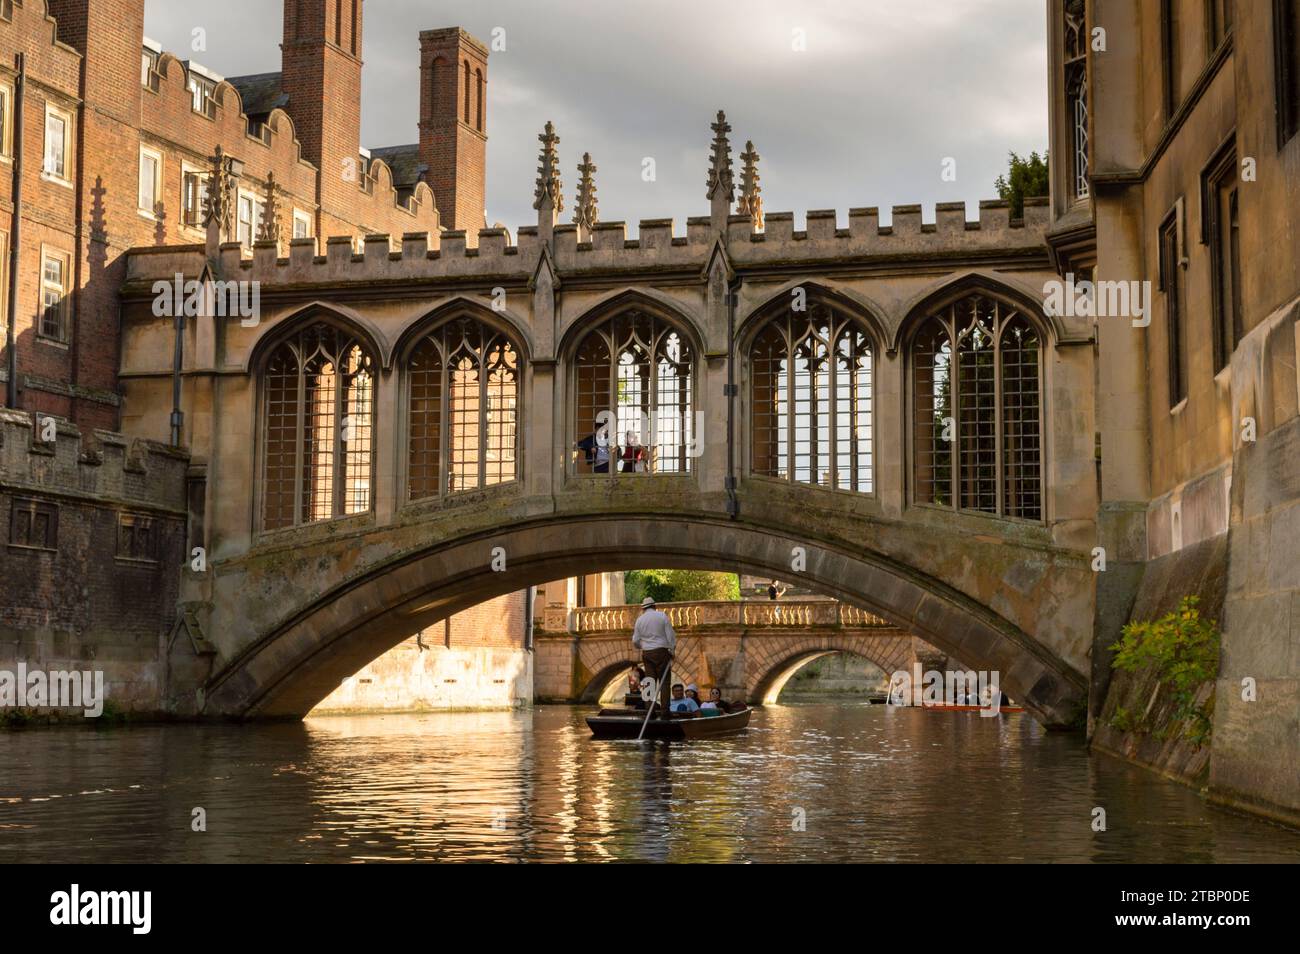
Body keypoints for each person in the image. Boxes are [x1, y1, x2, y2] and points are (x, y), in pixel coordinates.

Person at [631, 596, 676, 715]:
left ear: (644, 608)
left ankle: (649, 710)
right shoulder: (662, 616)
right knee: (664, 682)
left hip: (647, 653)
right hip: (662, 651)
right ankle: (665, 711)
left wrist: (643, 646)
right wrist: (672, 651)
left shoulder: (640, 620)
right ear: (654, 606)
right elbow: (670, 636)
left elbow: (635, 640)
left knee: (649, 681)